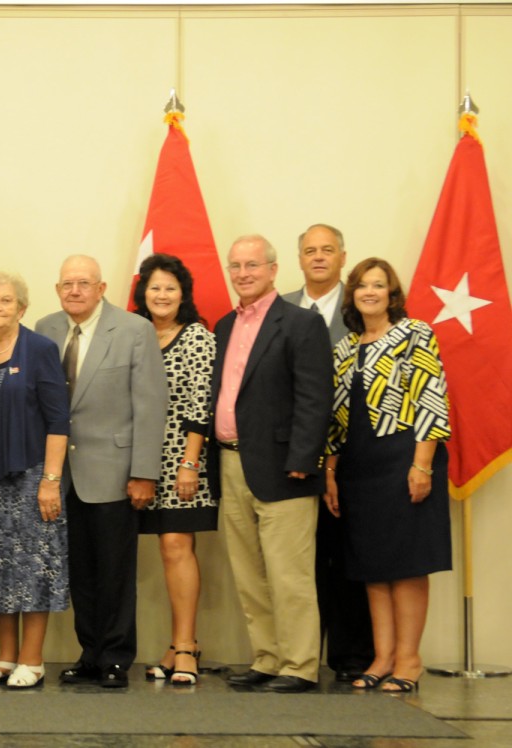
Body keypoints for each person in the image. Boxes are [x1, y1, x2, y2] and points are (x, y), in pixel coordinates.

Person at [35, 255, 168, 689]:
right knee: (80, 572)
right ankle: (89, 654)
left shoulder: (134, 330)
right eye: (67, 283)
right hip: (62, 473)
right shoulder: (45, 328)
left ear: (102, 287)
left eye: (84, 283)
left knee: (114, 571)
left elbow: (151, 405)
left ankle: (115, 657)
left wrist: (144, 472)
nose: (74, 290)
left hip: (115, 470)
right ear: (57, 289)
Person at [212, 234, 333, 694]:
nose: (243, 273)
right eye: (235, 266)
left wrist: (304, 457)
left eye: (252, 265)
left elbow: (315, 397)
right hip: (231, 464)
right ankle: (266, 658)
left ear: (273, 270)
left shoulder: (301, 323)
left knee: (289, 573)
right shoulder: (224, 325)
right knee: (249, 573)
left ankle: (299, 665)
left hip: (286, 467)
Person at [323, 258, 451, 693]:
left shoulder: (415, 334)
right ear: (352, 294)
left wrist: (421, 465)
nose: (370, 292)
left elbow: (431, 398)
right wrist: (332, 472)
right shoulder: (344, 347)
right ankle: (382, 657)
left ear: (392, 293)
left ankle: (409, 660)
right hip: (359, 466)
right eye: (362, 286)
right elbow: (337, 419)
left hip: (404, 458)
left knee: (407, 563)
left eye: (379, 285)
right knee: (372, 566)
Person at [0, 269, 69, 690]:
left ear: (22, 308)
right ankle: (6, 657)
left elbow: (59, 419)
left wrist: (50, 480)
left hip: (30, 474)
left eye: (7, 301)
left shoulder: (40, 348)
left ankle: (33, 659)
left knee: (33, 568)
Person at [282, 223, 374, 683]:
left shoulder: (362, 308)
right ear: (298, 259)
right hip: (293, 453)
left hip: (352, 450)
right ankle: (298, 660)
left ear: (342, 257)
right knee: (301, 561)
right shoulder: (280, 310)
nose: (318, 257)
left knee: (348, 555)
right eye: (309, 251)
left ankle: (351, 656)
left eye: (327, 250)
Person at [130, 253, 217, 686]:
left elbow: (201, 406)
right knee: (156, 552)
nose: (161, 295)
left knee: (176, 546)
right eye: (154, 287)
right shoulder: (133, 336)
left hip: (183, 460)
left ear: (183, 294)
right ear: (142, 293)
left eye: (170, 288)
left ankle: (186, 646)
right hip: (140, 460)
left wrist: (189, 462)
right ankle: (173, 646)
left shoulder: (198, 337)